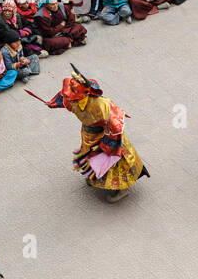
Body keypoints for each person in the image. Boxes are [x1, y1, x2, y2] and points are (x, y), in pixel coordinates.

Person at [43, 66, 147, 203]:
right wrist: (52, 103)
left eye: (72, 97)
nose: (69, 99)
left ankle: (122, 190)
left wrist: (112, 142)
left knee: (116, 162)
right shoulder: (70, 97)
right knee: (89, 156)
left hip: (107, 136)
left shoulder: (101, 104)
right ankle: (94, 176)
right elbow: (61, 98)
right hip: (88, 135)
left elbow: (115, 121)